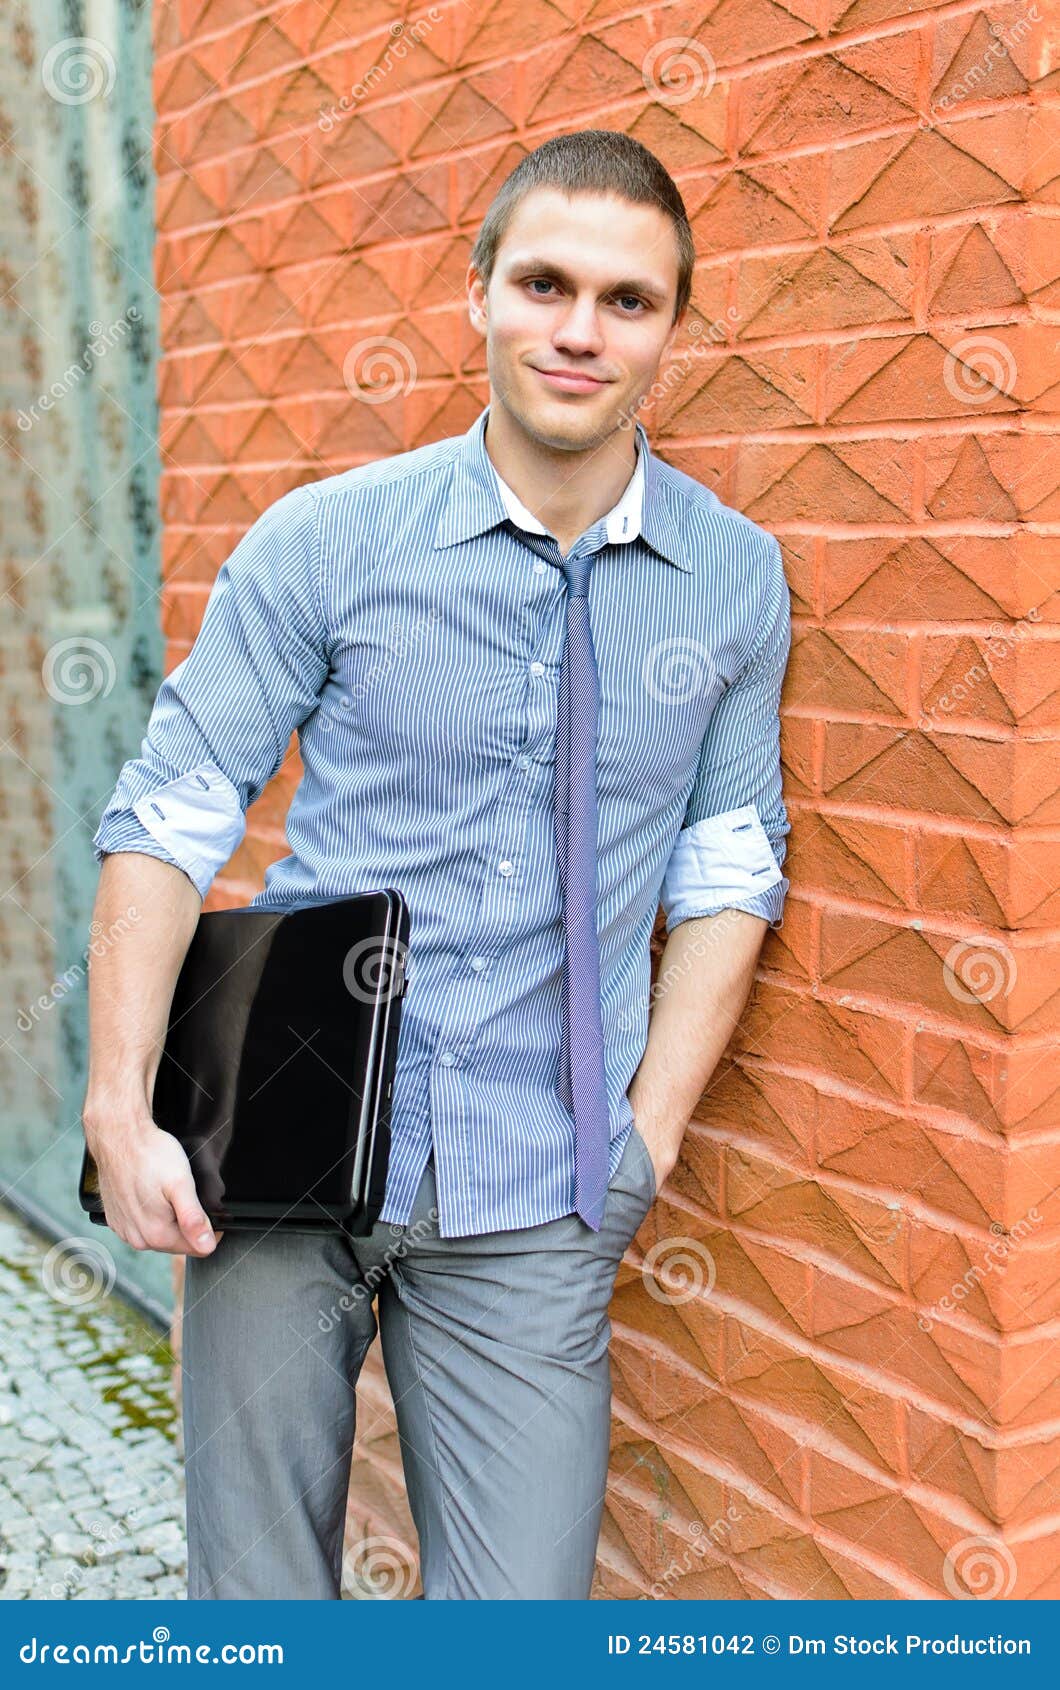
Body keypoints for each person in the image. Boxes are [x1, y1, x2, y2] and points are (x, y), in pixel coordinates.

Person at [83, 129, 791, 1600]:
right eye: (542, 283)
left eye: (627, 299)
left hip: (545, 1183)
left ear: (675, 327)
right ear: (475, 294)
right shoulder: (328, 542)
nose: (579, 331)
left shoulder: (733, 578)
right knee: (259, 1599)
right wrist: (115, 1103)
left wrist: (641, 1141)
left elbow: (729, 872)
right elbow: (174, 810)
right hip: (283, 1155)